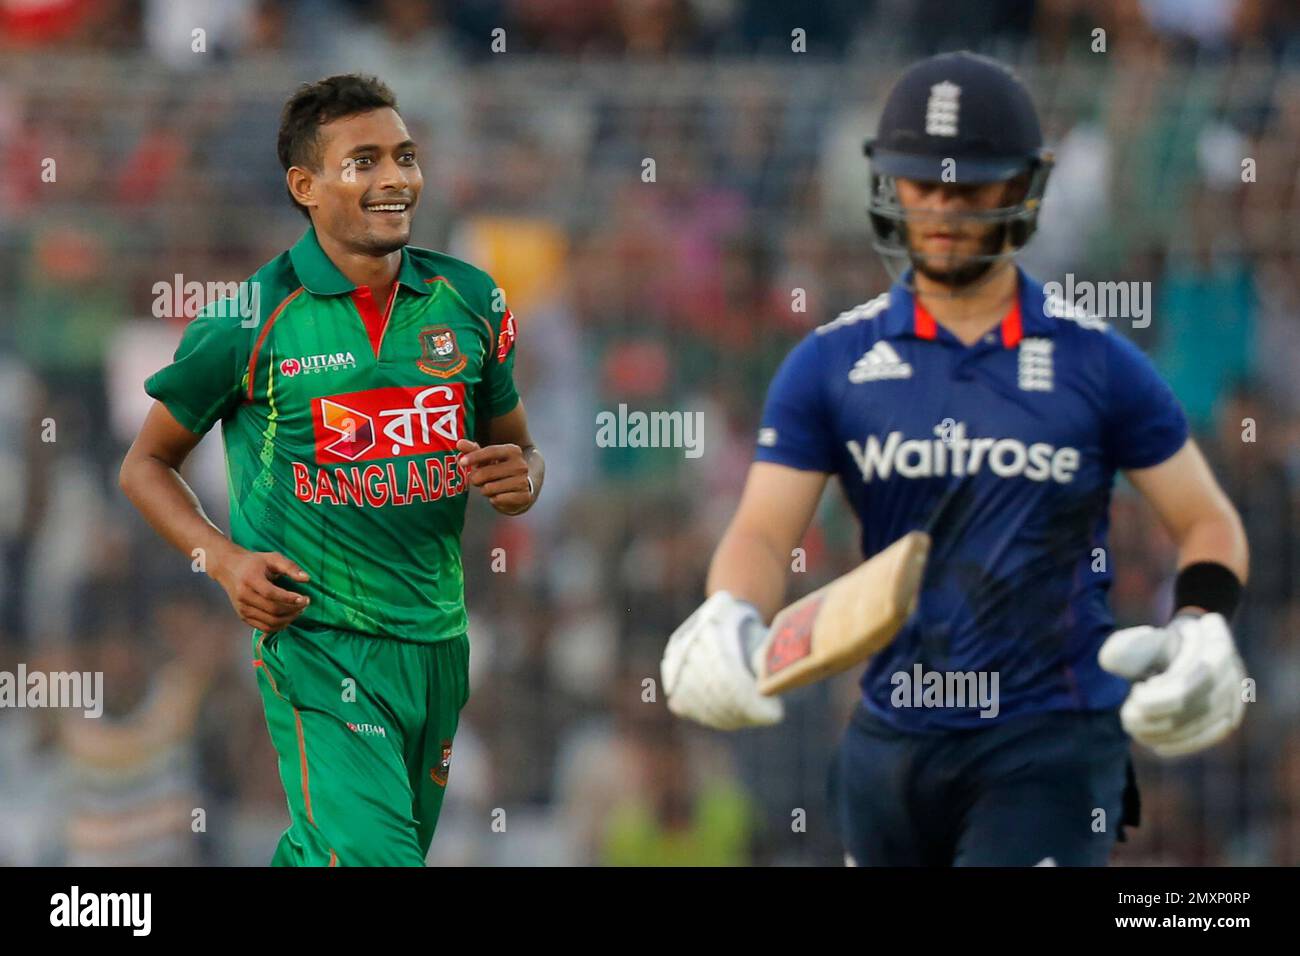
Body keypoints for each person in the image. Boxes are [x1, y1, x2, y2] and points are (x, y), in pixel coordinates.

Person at [661, 52, 1249, 866]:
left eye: (969, 187)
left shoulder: (1097, 363)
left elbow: (1205, 518)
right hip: (887, 742)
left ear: (1023, 190)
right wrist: (729, 611)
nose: (941, 208)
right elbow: (763, 530)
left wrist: (1201, 622)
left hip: (1051, 741)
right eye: (919, 184)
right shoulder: (829, 364)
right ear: (885, 187)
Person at [120, 74, 543, 866]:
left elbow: (518, 449)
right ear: (305, 187)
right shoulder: (255, 316)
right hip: (320, 640)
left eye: (405, 157)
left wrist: (527, 476)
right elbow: (145, 464)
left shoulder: (471, 300)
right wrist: (225, 560)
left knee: (330, 856)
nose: (395, 179)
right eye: (365, 161)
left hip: (439, 643)